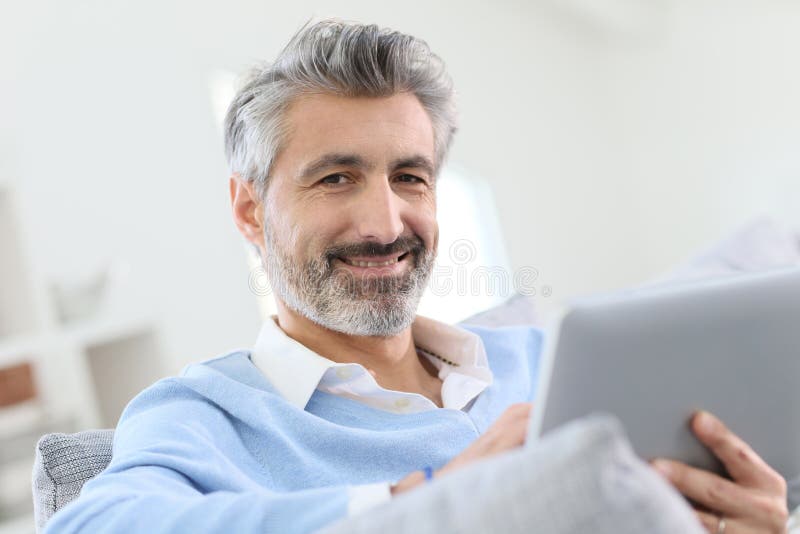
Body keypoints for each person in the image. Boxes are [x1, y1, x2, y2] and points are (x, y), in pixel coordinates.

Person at [44, 19, 789, 534]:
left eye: (410, 176)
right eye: (336, 178)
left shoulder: (547, 363)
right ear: (249, 211)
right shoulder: (206, 417)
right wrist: (428, 502)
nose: (384, 222)